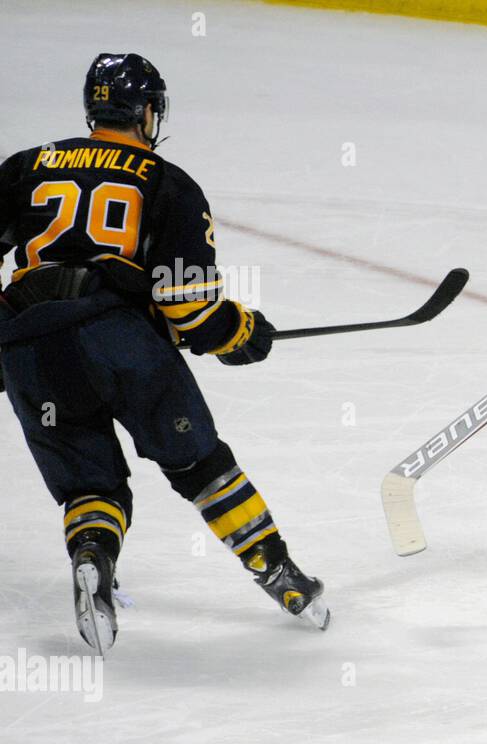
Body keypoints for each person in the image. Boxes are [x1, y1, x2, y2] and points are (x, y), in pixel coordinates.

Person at [0, 53, 328, 654]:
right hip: (118, 340)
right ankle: (281, 574)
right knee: (200, 466)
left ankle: (94, 559)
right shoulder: (166, 182)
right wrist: (238, 332)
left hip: (28, 344)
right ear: (148, 111)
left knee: (91, 488)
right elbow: (189, 307)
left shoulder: (26, 165)